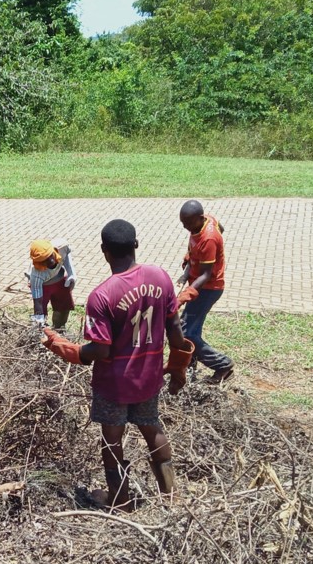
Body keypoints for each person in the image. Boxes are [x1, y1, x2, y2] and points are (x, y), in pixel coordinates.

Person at [40, 219, 194, 512]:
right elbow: (175, 328)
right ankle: (172, 497)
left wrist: (63, 347)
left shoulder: (102, 296)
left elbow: (100, 349)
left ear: (103, 251)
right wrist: (177, 367)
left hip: (114, 383)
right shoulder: (160, 277)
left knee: (112, 440)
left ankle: (120, 500)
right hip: (149, 377)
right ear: (135, 245)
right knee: (151, 427)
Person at [175, 200, 233, 383]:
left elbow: (206, 274)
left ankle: (222, 364)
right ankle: (189, 370)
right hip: (201, 285)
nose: (187, 228)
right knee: (189, 328)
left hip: (208, 288)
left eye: (189, 224)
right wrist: (192, 254)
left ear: (199, 218)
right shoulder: (206, 221)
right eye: (183, 224)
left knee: (187, 334)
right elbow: (220, 228)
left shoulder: (208, 238)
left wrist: (187, 294)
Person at [27, 238, 77, 331]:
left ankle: (59, 329)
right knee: (41, 311)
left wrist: (71, 273)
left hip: (60, 278)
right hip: (43, 285)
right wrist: (39, 317)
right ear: (40, 263)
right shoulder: (36, 275)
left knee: (63, 306)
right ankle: (43, 332)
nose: (51, 261)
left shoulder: (61, 246)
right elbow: (37, 301)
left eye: (51, 256)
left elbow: (67, 252)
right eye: (45, 260)